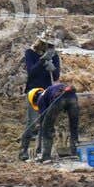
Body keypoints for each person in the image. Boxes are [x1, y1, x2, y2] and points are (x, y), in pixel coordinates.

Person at [18, 31, 62, 160]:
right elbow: (31, 72)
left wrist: (52, 67)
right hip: (34, 90)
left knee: (46, 122)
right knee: (32, 121)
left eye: (51, 45)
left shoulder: (54, 55)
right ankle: (23, 150)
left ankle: (41, 151)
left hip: (48, 91)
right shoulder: (30, 53)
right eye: (47, 45)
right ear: (41, 43)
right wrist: (42, 61)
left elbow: (56, 76)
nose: (49, 47)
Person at [27, 83, 80, 164]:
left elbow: (43, 119)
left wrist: (43, 127)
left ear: (34, 98)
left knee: (46, 128)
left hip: (59, 98)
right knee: (74, 127)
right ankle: (75, 152)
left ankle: (46, 156)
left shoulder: (40, 98)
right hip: (73, 96)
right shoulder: (48, 91)